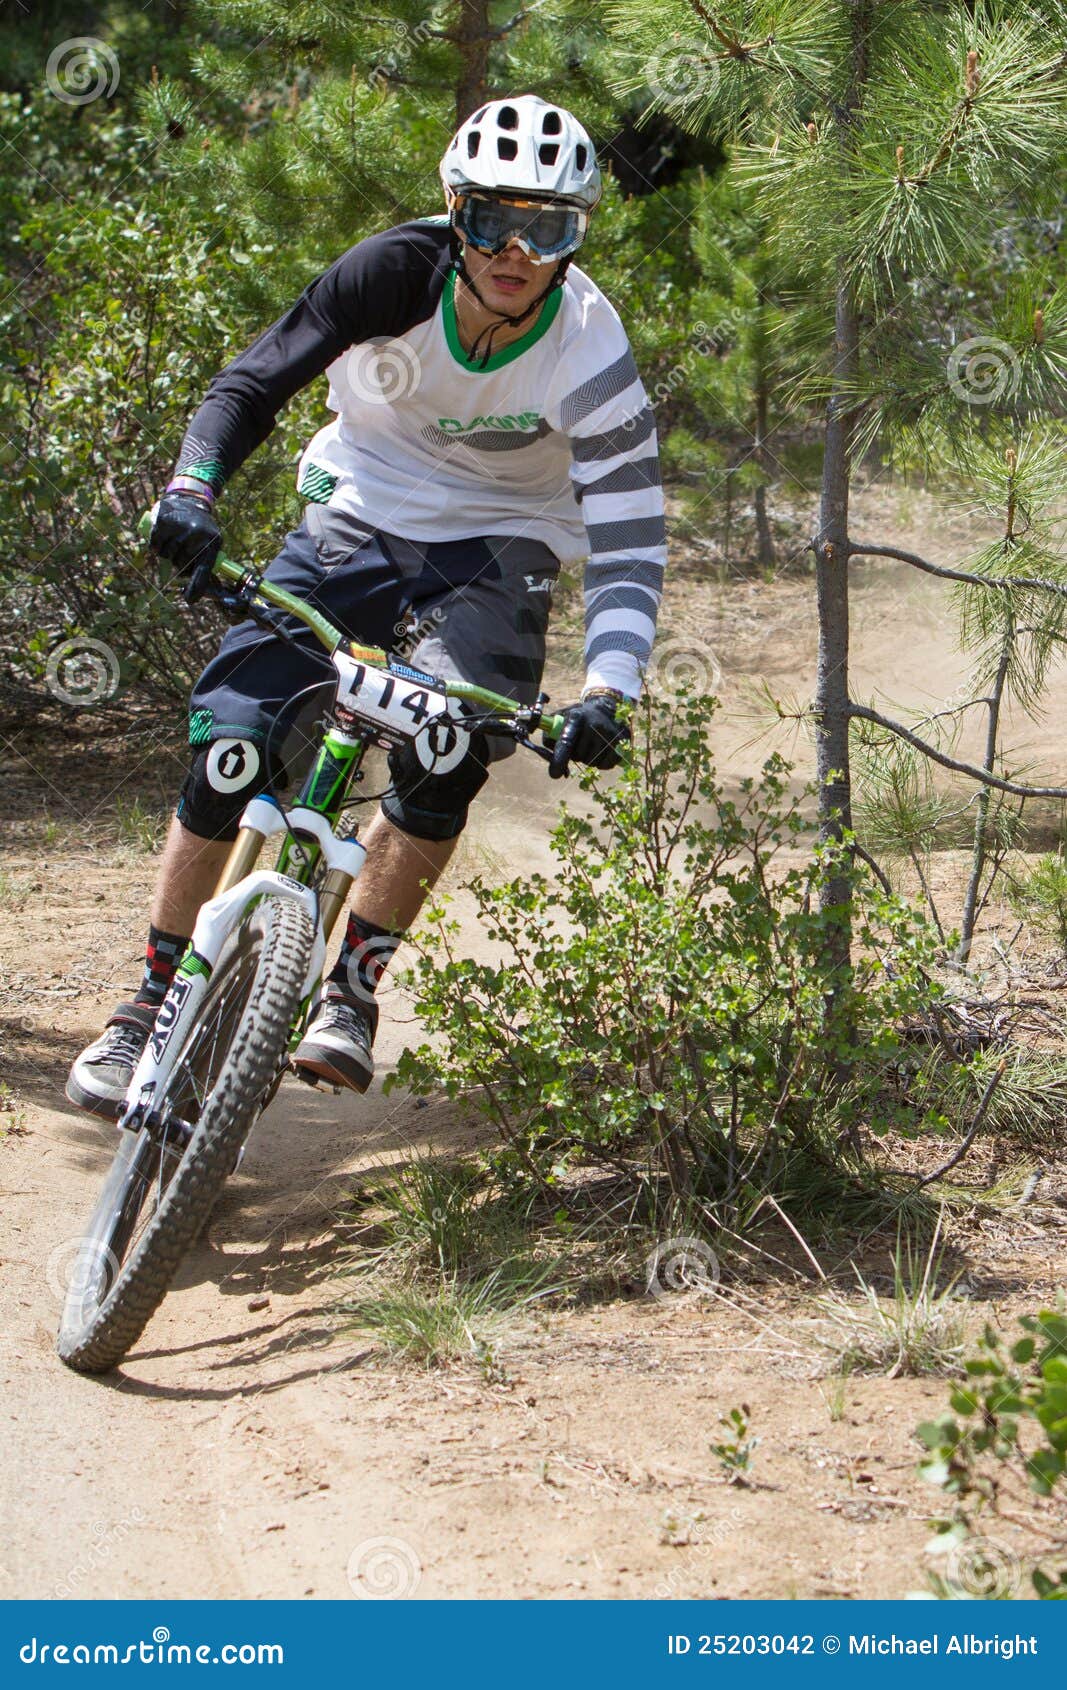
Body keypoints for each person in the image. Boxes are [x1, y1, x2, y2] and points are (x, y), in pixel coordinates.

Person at [66, 94, 667, 1115]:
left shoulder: (587, 351)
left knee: (444, 750)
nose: (515, 252)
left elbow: (628, 539)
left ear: (577, 238)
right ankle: (147, 1002)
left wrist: (609, 686)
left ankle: (349, 989)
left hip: (500, 544)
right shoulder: (391, 272)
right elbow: (247, 387)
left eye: (548, 228)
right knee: (233, 743)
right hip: (359, 510)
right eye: (491, 221)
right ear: (452, 212)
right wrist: (189, 492)